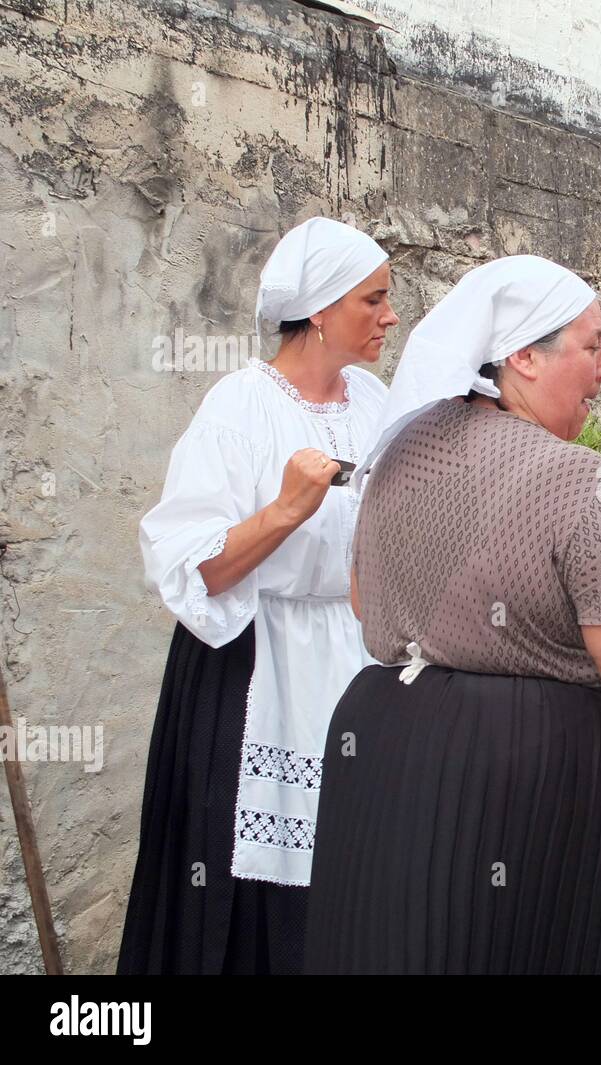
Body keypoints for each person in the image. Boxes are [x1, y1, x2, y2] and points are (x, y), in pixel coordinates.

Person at [304, 254, 601, 974]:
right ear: (525, 356)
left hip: (382, 754)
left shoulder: (397, 453)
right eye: (593, 345)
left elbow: (360, 597)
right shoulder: (577, 481)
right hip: (528, 782)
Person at [117, 217, 400, 974]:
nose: (389, 315)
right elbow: (187, 566)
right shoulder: (238, 407)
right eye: (372, 299)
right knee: (246, 884)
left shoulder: (377, 404)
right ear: (319, 310)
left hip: (355, 662)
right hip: (251, 670)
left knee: (357, 872)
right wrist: (283, 512)